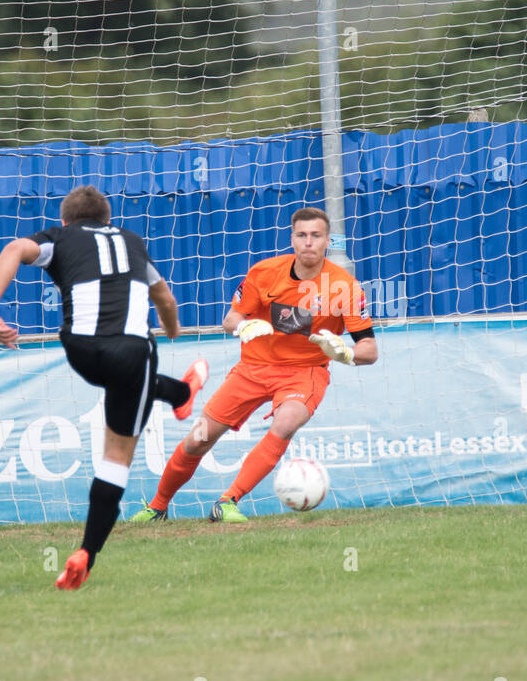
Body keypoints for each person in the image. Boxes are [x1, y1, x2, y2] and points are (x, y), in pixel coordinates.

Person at [0, 186, 206, 590]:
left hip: (79, 350)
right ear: (108, 220)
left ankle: (178, 394)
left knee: (130, 382)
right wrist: (172, 332)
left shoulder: (60, 237)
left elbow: (15, 248)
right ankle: (87, 552)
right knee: (116, 457)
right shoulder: (133, 242)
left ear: (66, 221)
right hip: (131, 353)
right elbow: (166, 300)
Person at [131, 207, 377, 525]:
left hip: (305, 373)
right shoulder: (264, 272)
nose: (308, 242)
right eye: (301, 235)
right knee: (198, 439)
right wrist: (241, 328)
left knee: (286, 422)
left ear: (328, 240)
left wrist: (346, 353)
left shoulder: (344, 286)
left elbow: (370, 349)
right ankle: (157, 507)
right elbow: (231, 318)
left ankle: (228, 502)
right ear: (292, 238)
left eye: (316, 236)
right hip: (253, 368)